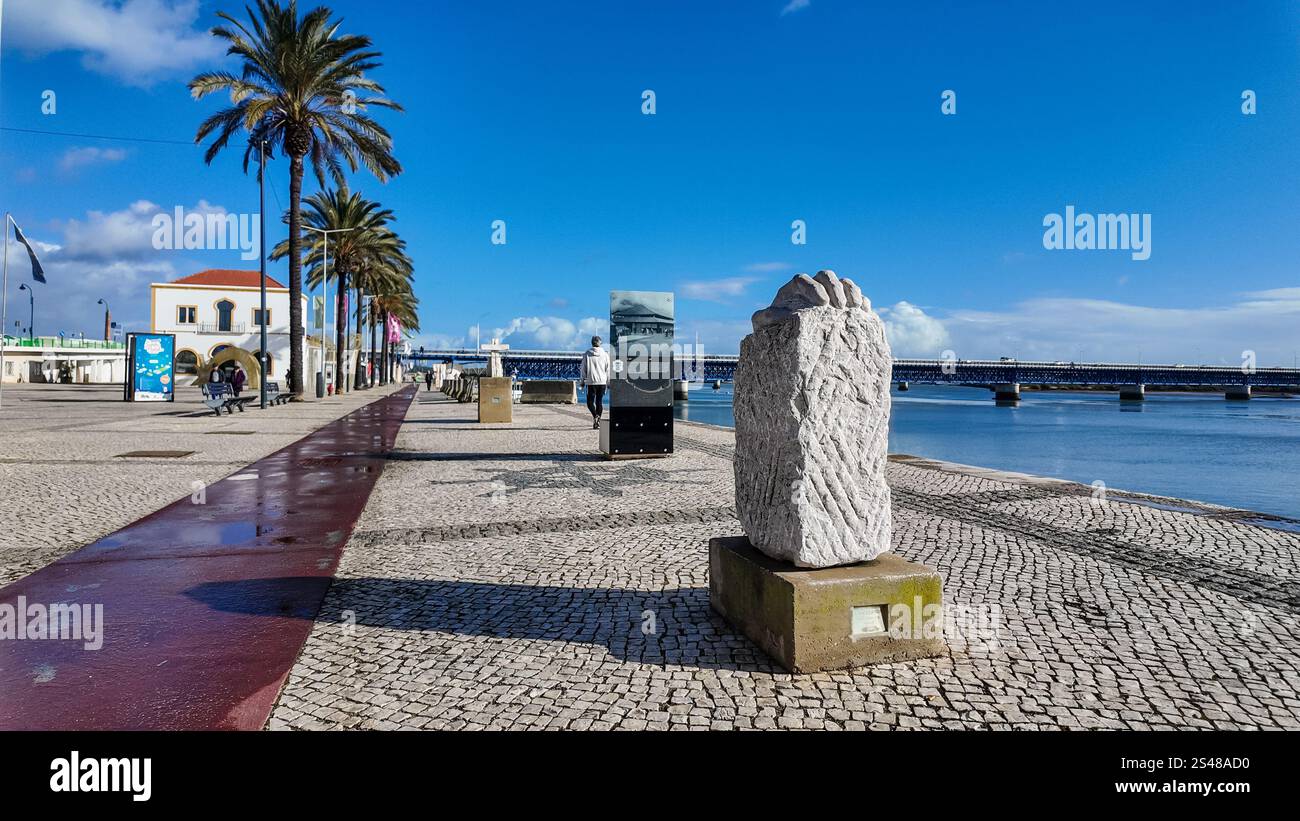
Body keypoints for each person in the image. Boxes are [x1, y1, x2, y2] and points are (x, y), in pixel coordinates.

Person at [579, 335, 611, 429]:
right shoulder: (605, 354)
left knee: (589, 403)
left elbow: (583, 369)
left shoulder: (587, 354)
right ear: (600, 343)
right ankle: (597, 420)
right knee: (599, 402)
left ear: (592, 343)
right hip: (602, 382)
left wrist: (582, 381)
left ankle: (595, 417)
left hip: (591, 382)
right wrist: (608, 383)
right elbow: (608, 370)